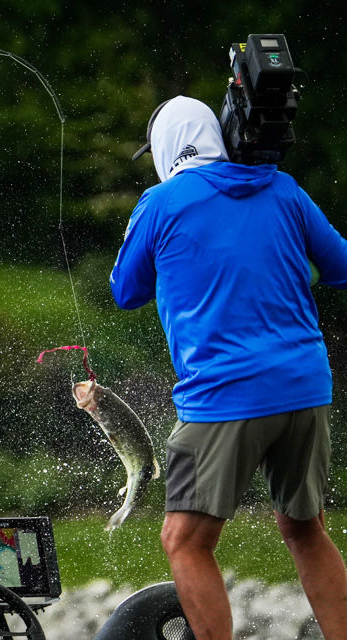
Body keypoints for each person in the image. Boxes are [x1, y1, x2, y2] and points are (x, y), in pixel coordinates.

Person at [111, 95, 347, 640]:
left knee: (184, 540)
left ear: (166, 149)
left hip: (222, 398)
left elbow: (125, 291)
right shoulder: (282, 187)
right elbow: (339, 267)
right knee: (304, 528)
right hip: (304, 387)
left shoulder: (160, 202)